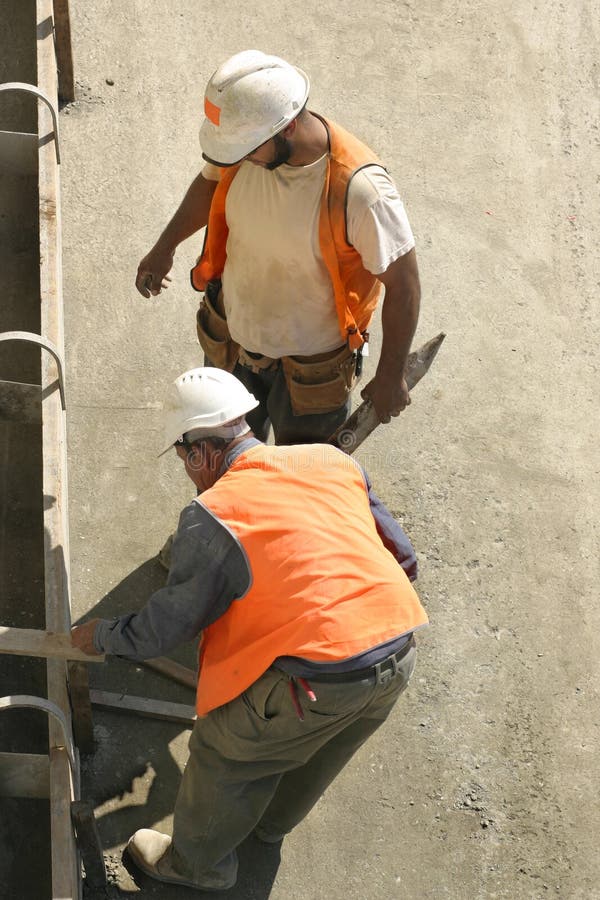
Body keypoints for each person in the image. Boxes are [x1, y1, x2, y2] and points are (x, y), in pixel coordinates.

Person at [72, 367, 428, 892]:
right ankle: (269, 826)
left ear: (200, 453)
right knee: (326, 743)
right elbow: (405, 559)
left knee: (223, 749)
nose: (187, 470)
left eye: (182, 456)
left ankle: (198, 866)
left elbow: (165, 628)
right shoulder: (330, 460)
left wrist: (102, 635)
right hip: (399, 647)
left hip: (316, 681)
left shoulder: (213, 514)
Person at [135, 50, 421, 445]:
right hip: (232, 345)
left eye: (248, 150)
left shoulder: (360, 191)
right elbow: (210, 183)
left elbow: (404, 284)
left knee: (299, 477)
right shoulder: (246, 148)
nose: (239, 159)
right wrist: (165, 246)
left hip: (311, 376)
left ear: (286, 127)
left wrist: (391, 374)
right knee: (224, 471)